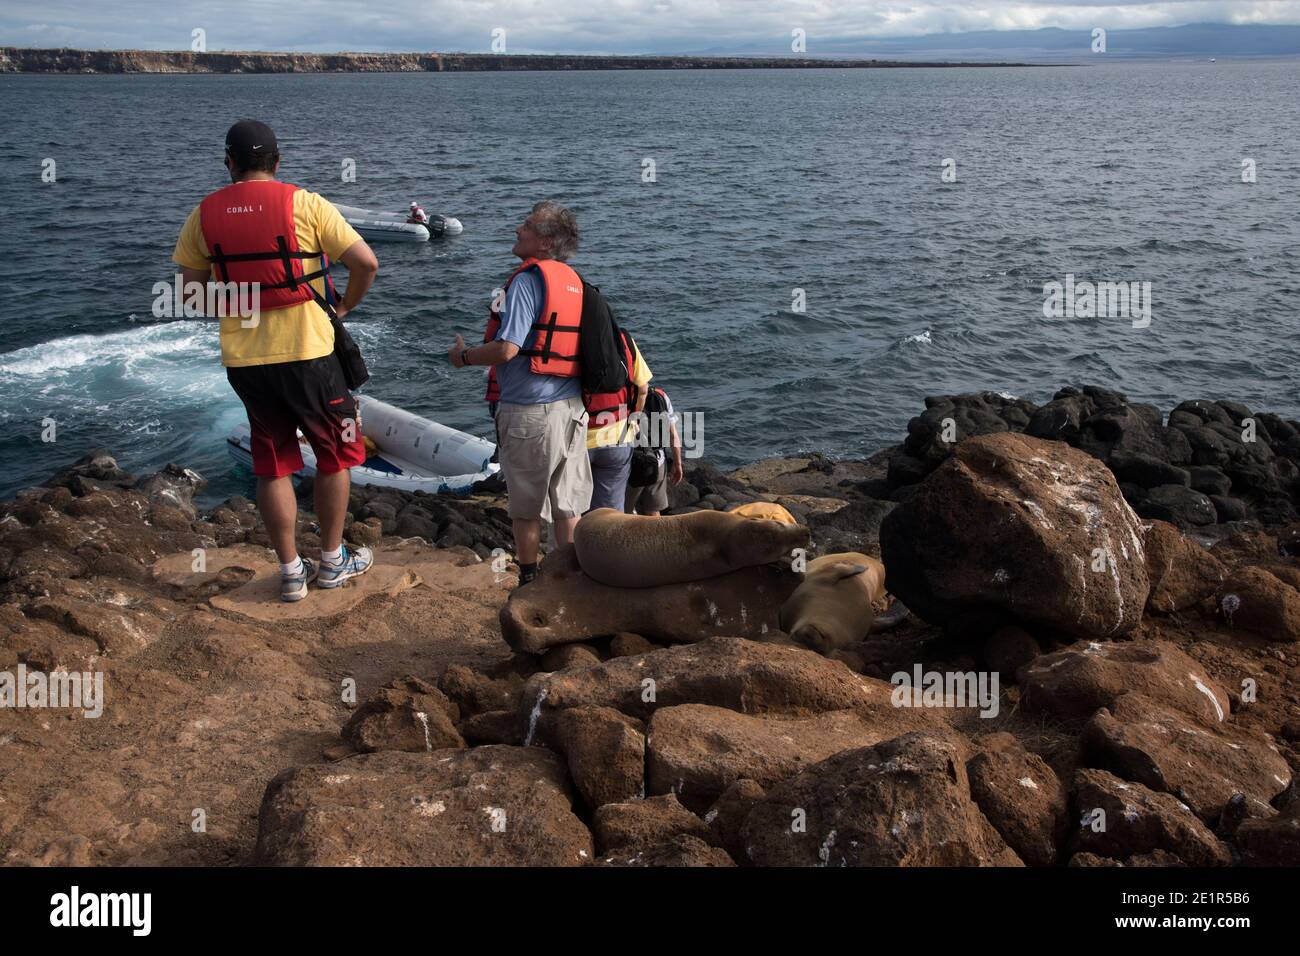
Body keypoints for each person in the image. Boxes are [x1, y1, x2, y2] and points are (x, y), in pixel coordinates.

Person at [173, 119, 380, 601]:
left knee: (272, 464)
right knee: (333, 456)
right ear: (278, 162)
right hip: (310, 355)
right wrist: (345, 305)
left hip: (247, 361)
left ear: (229, 163)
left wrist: (245, 301)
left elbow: (189, 293)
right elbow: (366, 263)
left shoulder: (203, 214)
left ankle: (290, 572)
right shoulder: (304, 203)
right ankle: (332, 562)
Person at [448, 200, 592, 584]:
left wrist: (463, 357)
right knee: (568, 506)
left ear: (545, 242)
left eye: (526, 225)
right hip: (573, 410)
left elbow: (507, 348)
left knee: (526, 508)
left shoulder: (528, 281)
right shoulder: (573, 281)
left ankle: (529, 583)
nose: (517, 230)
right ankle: (569, 584)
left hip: (530, 412)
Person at [584, 327, 652, 511]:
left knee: (569, 511)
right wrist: (634, 418)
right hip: (618, 436)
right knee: (610, 513)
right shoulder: (623, 338)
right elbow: (643, 389)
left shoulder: (570, 336)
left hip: (576, 439)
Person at [625, 384, 684, 516]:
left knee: (624, 511)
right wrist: (677, 464)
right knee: (653, 510)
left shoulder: (626, 396)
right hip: (657, 461)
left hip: (632, 463)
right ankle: (655, 536)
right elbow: (673, 434)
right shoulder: (661, 395)